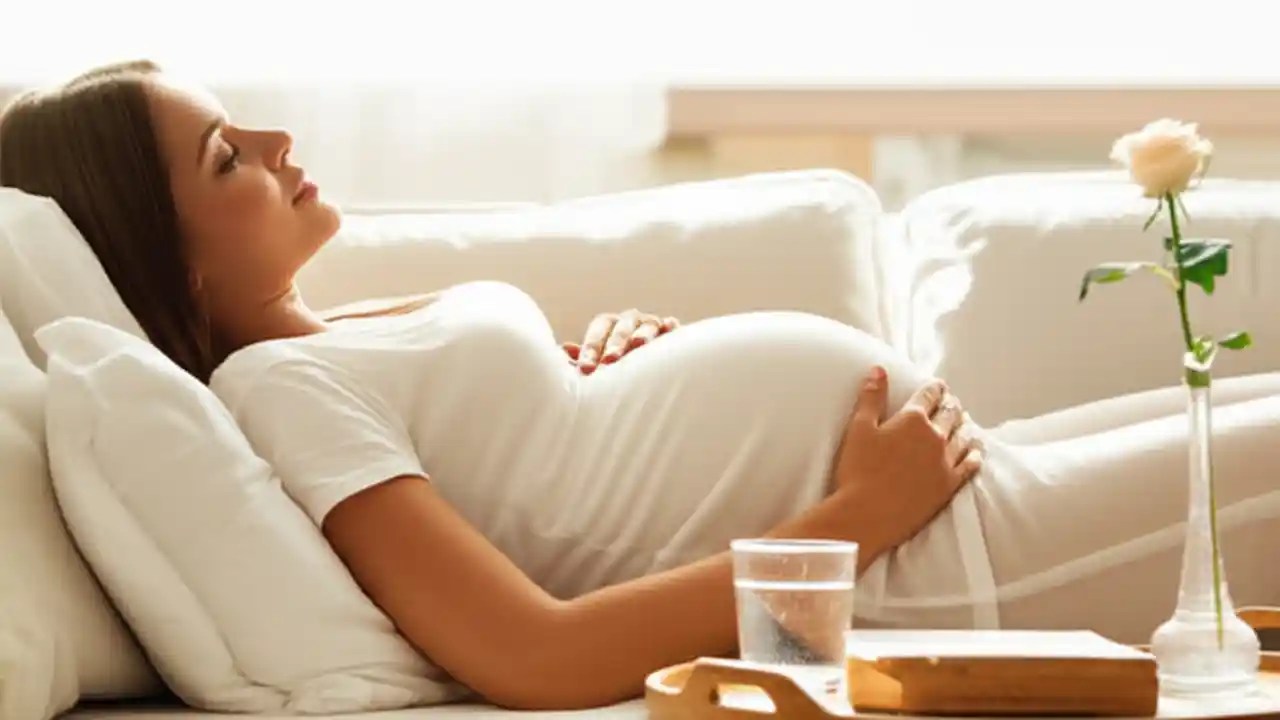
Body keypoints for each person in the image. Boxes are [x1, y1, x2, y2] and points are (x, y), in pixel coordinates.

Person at [1, 61, 1276, 711]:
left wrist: (613, 365)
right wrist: (851, 530)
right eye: (230, 157)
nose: (278, 144)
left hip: (957, 497)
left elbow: (545, 470)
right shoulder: (279, 392)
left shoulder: (331, 339)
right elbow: (529, 654)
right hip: (933, 564)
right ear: (160, 260)